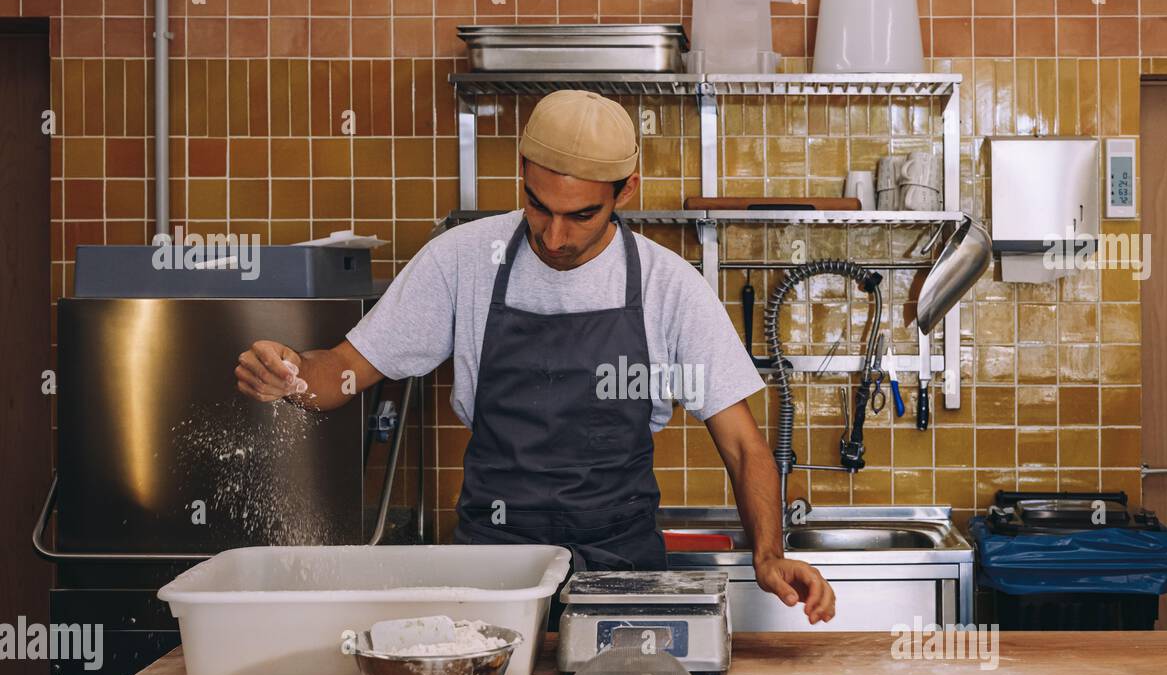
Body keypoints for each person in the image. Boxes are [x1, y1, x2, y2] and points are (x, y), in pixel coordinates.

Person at [237, 90, 835, 624]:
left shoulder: (668, 286)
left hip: (620, 572)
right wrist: (292, 376)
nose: (554, 236)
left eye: (581, 215)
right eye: (538, 206)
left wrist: (768, 553)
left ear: (625, 191)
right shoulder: (462, 260)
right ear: (522, 172)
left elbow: (743, 444)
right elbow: (343, 369)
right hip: (493, 568)